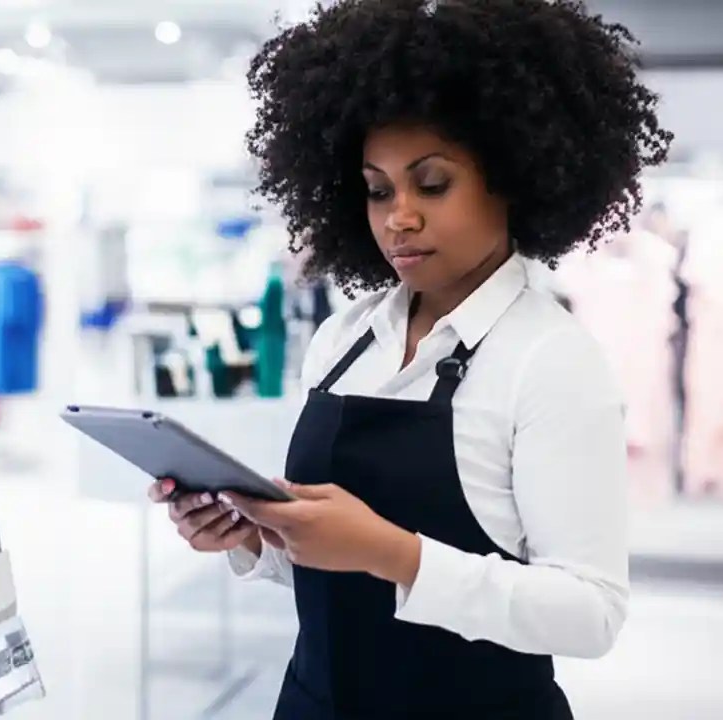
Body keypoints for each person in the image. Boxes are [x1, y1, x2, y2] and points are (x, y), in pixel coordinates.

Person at [148, 0, 671, 717]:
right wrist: (254, 537)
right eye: (376, 189)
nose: (400, 216)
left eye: (432, 183)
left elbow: (591, 612)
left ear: (513, 177)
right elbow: (328, 569)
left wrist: (391, 551)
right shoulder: (341, 342)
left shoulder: (550, 361)